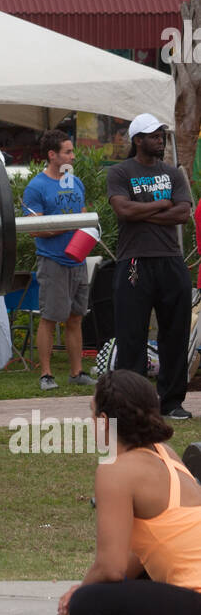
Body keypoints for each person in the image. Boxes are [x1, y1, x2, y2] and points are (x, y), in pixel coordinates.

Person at [58, 370, 201, 615]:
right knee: (121, 583)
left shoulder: (116, 471)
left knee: (89, 606)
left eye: (91, 413)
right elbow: (140, 557)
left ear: (104, 421)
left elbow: (109, 567)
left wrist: (76, 595)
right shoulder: (165, 455)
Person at [107, 114, 193, 421]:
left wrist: (142, 212)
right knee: (132, 337)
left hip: (170, 260)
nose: (159, 139)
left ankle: (171, 402)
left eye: (160, 134)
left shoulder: (174, 174)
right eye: (152, 135)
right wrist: (161, 205)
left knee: (175, 334)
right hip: (134, 262)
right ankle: (133, 405)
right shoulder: (120, 172)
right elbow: (123, 209)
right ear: (137, 140)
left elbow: (183, 213)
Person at [22, 129, 94, 393]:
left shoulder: (75, 182)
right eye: (67, 152)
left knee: (76, 317)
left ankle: (76, 373)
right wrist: (65, 227)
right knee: (50, 317)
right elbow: (33, 228)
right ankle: (46, 374)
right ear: (52, 155)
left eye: (72, 151)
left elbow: (84, 216)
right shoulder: (36, 187)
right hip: (52, 261)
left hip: (78, 259)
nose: (72, 157)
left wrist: (87, 233)